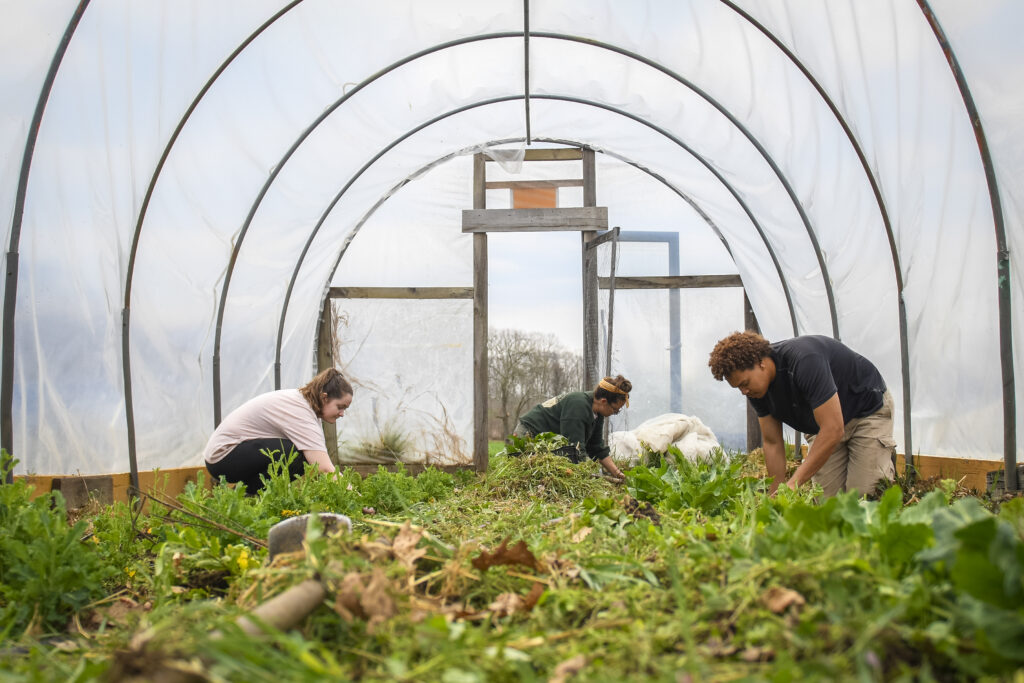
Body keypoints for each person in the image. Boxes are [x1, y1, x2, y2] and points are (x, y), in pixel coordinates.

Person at [708, 331, 895, 497]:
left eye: (744, 383)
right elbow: (773, 442)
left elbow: (833, 429)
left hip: (866, 412)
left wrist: (793, 483)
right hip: (823, 426)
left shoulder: (804, 360)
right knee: (827, 503)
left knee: (863, 497)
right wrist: (777, 493)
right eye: (738, 387)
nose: (743, 392)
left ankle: (880, 461)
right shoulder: (757, 390)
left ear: (760, 363)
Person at [203, 368, 353, 494]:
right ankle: (246, 496)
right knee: (296, 455)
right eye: (340, 407)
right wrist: (354, 497)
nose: (342, 413)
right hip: (223, 457)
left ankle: (244, 495)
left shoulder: (307, 408)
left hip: (233, 455)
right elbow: (324, 467)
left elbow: (322, 461)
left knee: (301, 455)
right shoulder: (299, 410)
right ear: (324, 397)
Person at [513, 375, 631, 480]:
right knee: (525, 477)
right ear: (604, 401)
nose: (614, 413)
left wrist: (617, 473)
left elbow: (597, 448)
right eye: (615, 410)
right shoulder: (578, 406)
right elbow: (574, 449)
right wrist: (589, 476)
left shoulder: (597, 414)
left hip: (545, 442)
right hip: (528, 435)